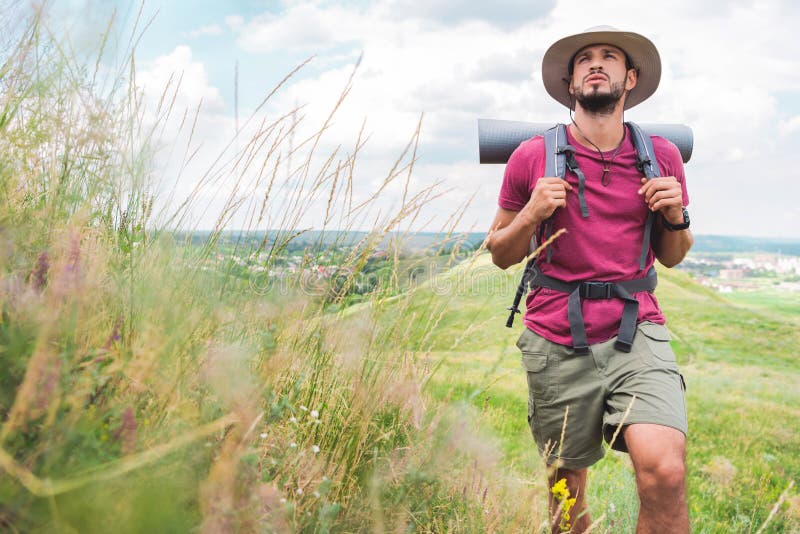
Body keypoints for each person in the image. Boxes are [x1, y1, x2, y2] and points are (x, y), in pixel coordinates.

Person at [486, 26, 693, 533]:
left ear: (631, 78)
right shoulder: (532, 156)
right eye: (584, 60)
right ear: (570, 81)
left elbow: (673, 256)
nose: (595, 64)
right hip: (556, 335)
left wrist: (676, 215)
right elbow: (499, 253)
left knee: (664, 469)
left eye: (609, 57)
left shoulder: (661, 155)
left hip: (635, 328)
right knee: (565, 486)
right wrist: (531, 213)